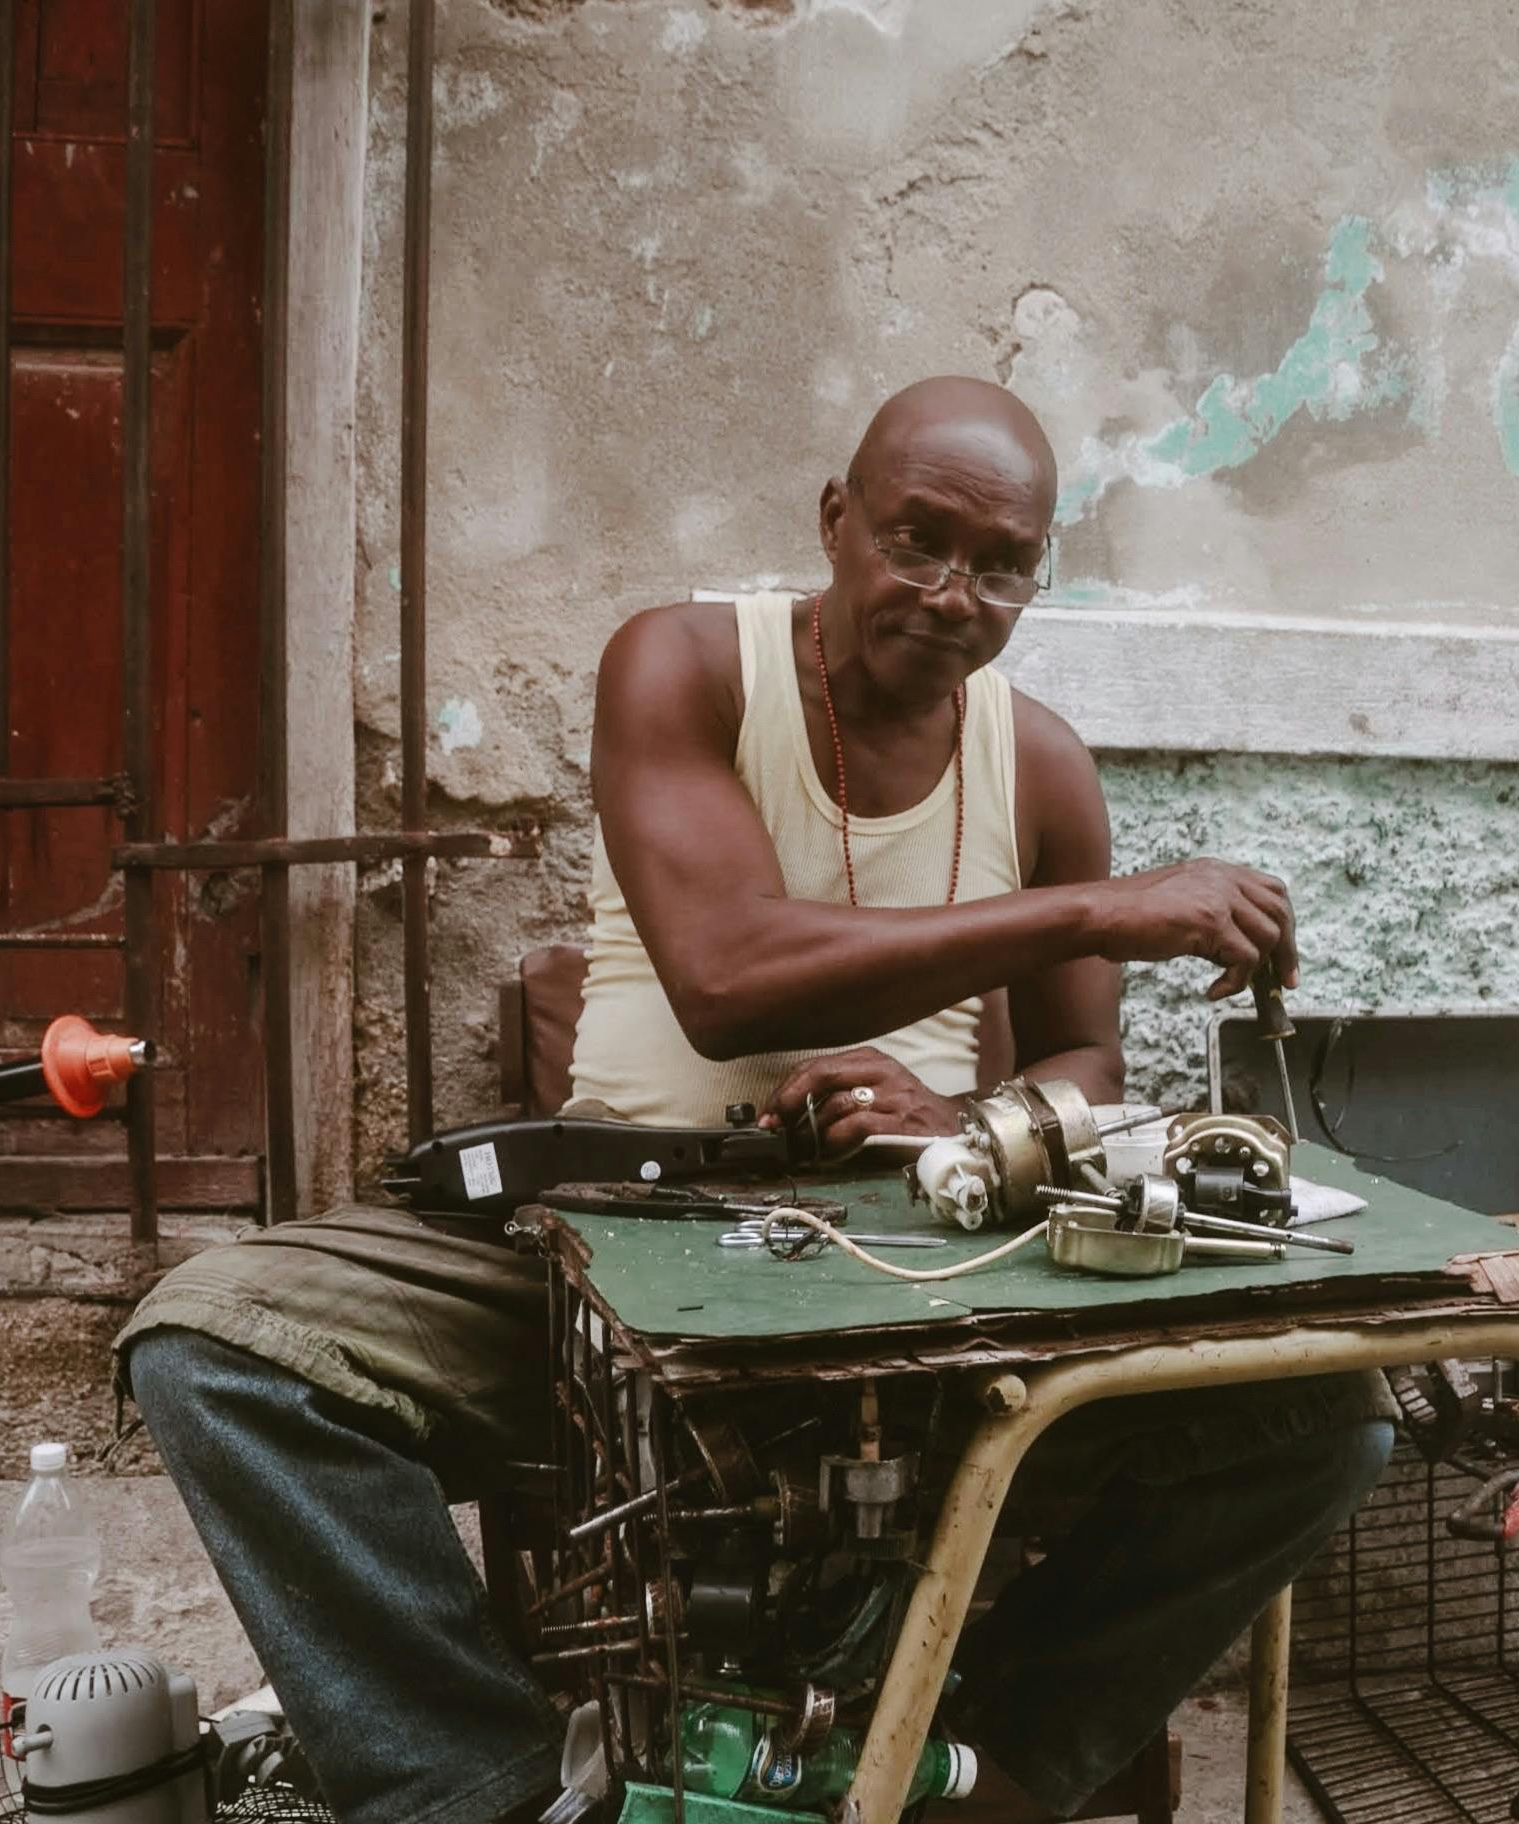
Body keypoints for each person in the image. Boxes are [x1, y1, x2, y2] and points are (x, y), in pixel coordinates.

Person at [119, 376, 1392, 1824]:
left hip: (918, 1261)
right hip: (606, 1234)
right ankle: (474, 1792)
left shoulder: (1039, 765)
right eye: (918, 541)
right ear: (836, 520)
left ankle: (986, 1773)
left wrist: (966, 1122)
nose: (955, 593)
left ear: (1039, 573)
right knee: (220, 1350)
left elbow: (1083, 1071)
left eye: (1001, 565)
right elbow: (727, 978)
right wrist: (1098, 908)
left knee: (1325, 1418)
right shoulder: (682, 664)